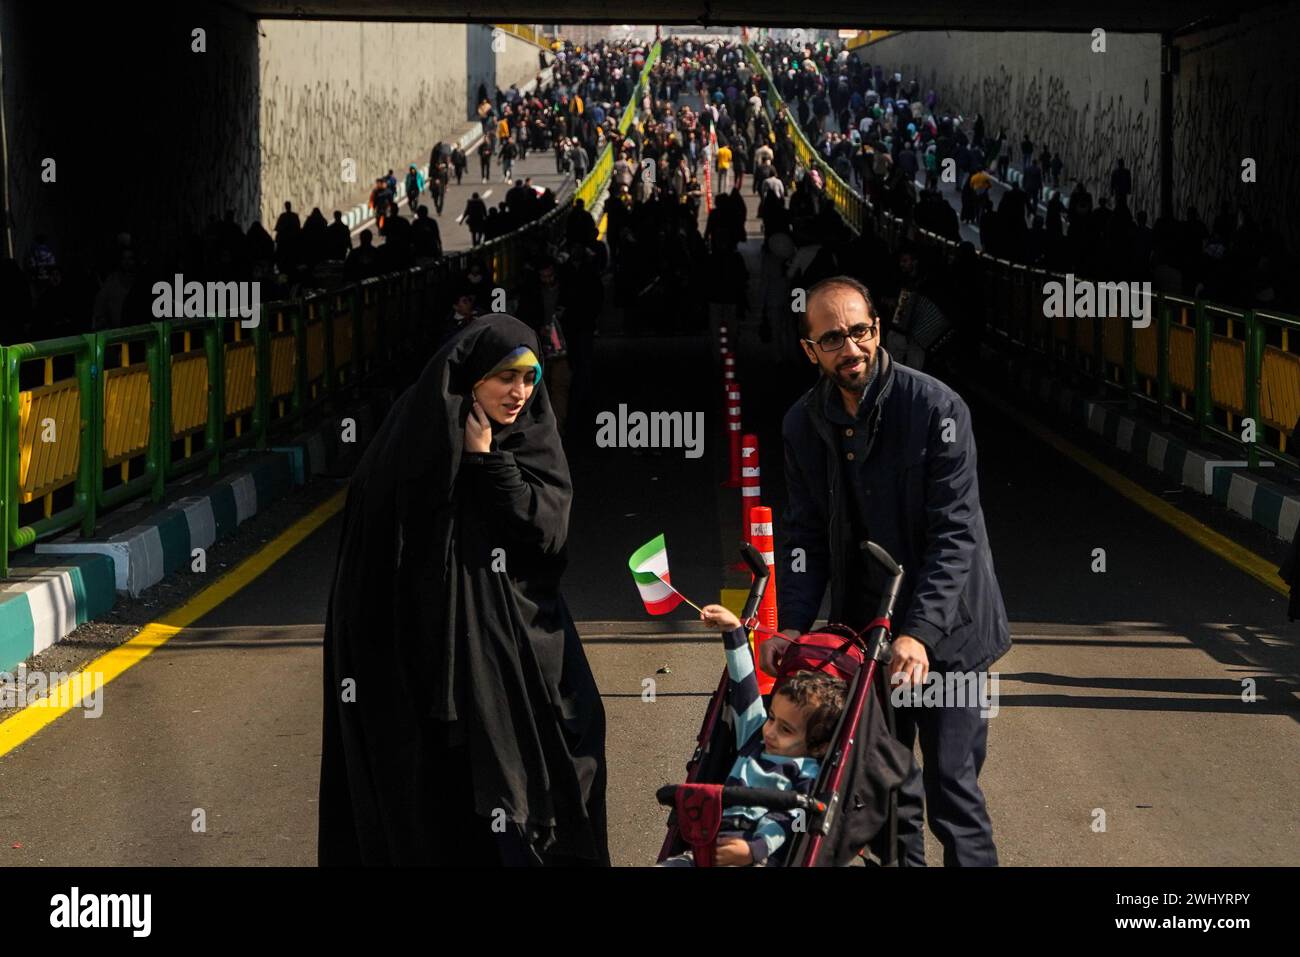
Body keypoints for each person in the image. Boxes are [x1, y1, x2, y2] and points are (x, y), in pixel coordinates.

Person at [319, 314, 609, 866]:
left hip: (514, 650)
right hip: (426, 664)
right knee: (442, 793)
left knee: (563, 750)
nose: (519, 393)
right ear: (472, 377)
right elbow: (375, 557)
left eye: (529, 378)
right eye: (505, 378)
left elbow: (547, 535)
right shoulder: (412, 441)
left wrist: (487, 462)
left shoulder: (530, 436)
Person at [763, 275, 1011, 867]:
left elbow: (957, 535)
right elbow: (804, 536)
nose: (850, 348)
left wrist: (919, 633)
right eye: (831, 339)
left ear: (877, 329)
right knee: (885, 793)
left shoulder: (936, 409)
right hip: (867, 639)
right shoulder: (802, 425)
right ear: (809, 349)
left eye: (860, 331)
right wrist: (794, 625)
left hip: (950, 635)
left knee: (952, 789)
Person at [657, 602, 846, 867]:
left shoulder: (807, 772)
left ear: (817, 746)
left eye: (786, 729)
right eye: (771, 719)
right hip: (710, 845)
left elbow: (790, 819)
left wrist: (754, 849)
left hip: (759, 856)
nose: (770, 731)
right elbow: (744, 686)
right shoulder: (754, 738)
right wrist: (734, 630)